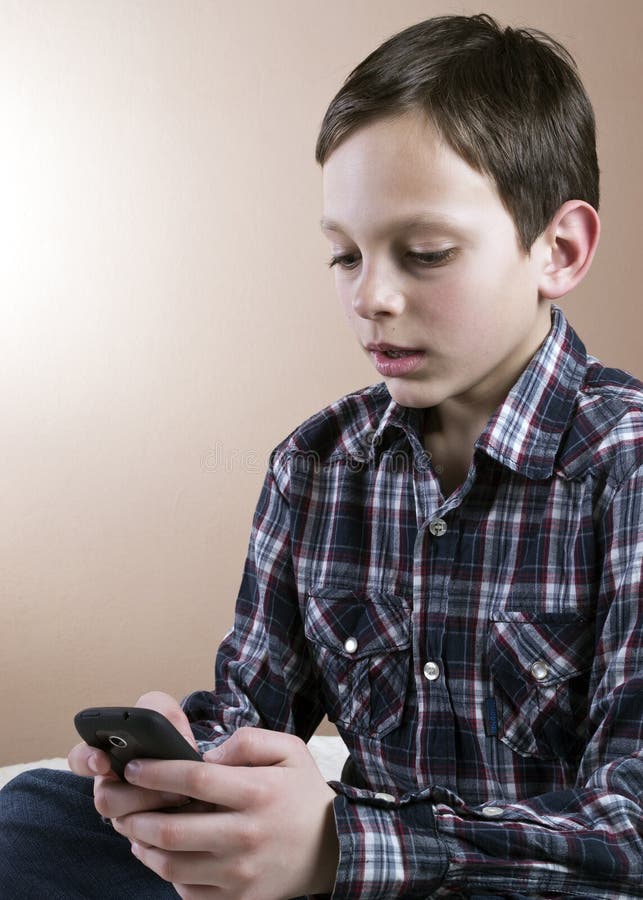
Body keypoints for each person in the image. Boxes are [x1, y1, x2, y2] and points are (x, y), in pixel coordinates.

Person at [1, 12, 642, 899]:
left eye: (424, 254)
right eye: (343, 256)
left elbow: (631, 833)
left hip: (496, 882)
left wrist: (345, 847)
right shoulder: (314, 465)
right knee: (36, 811)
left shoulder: (626, 469)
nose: (370, 296)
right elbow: (252, 716)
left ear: (557, 250)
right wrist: (180, 764)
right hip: (347, 880)